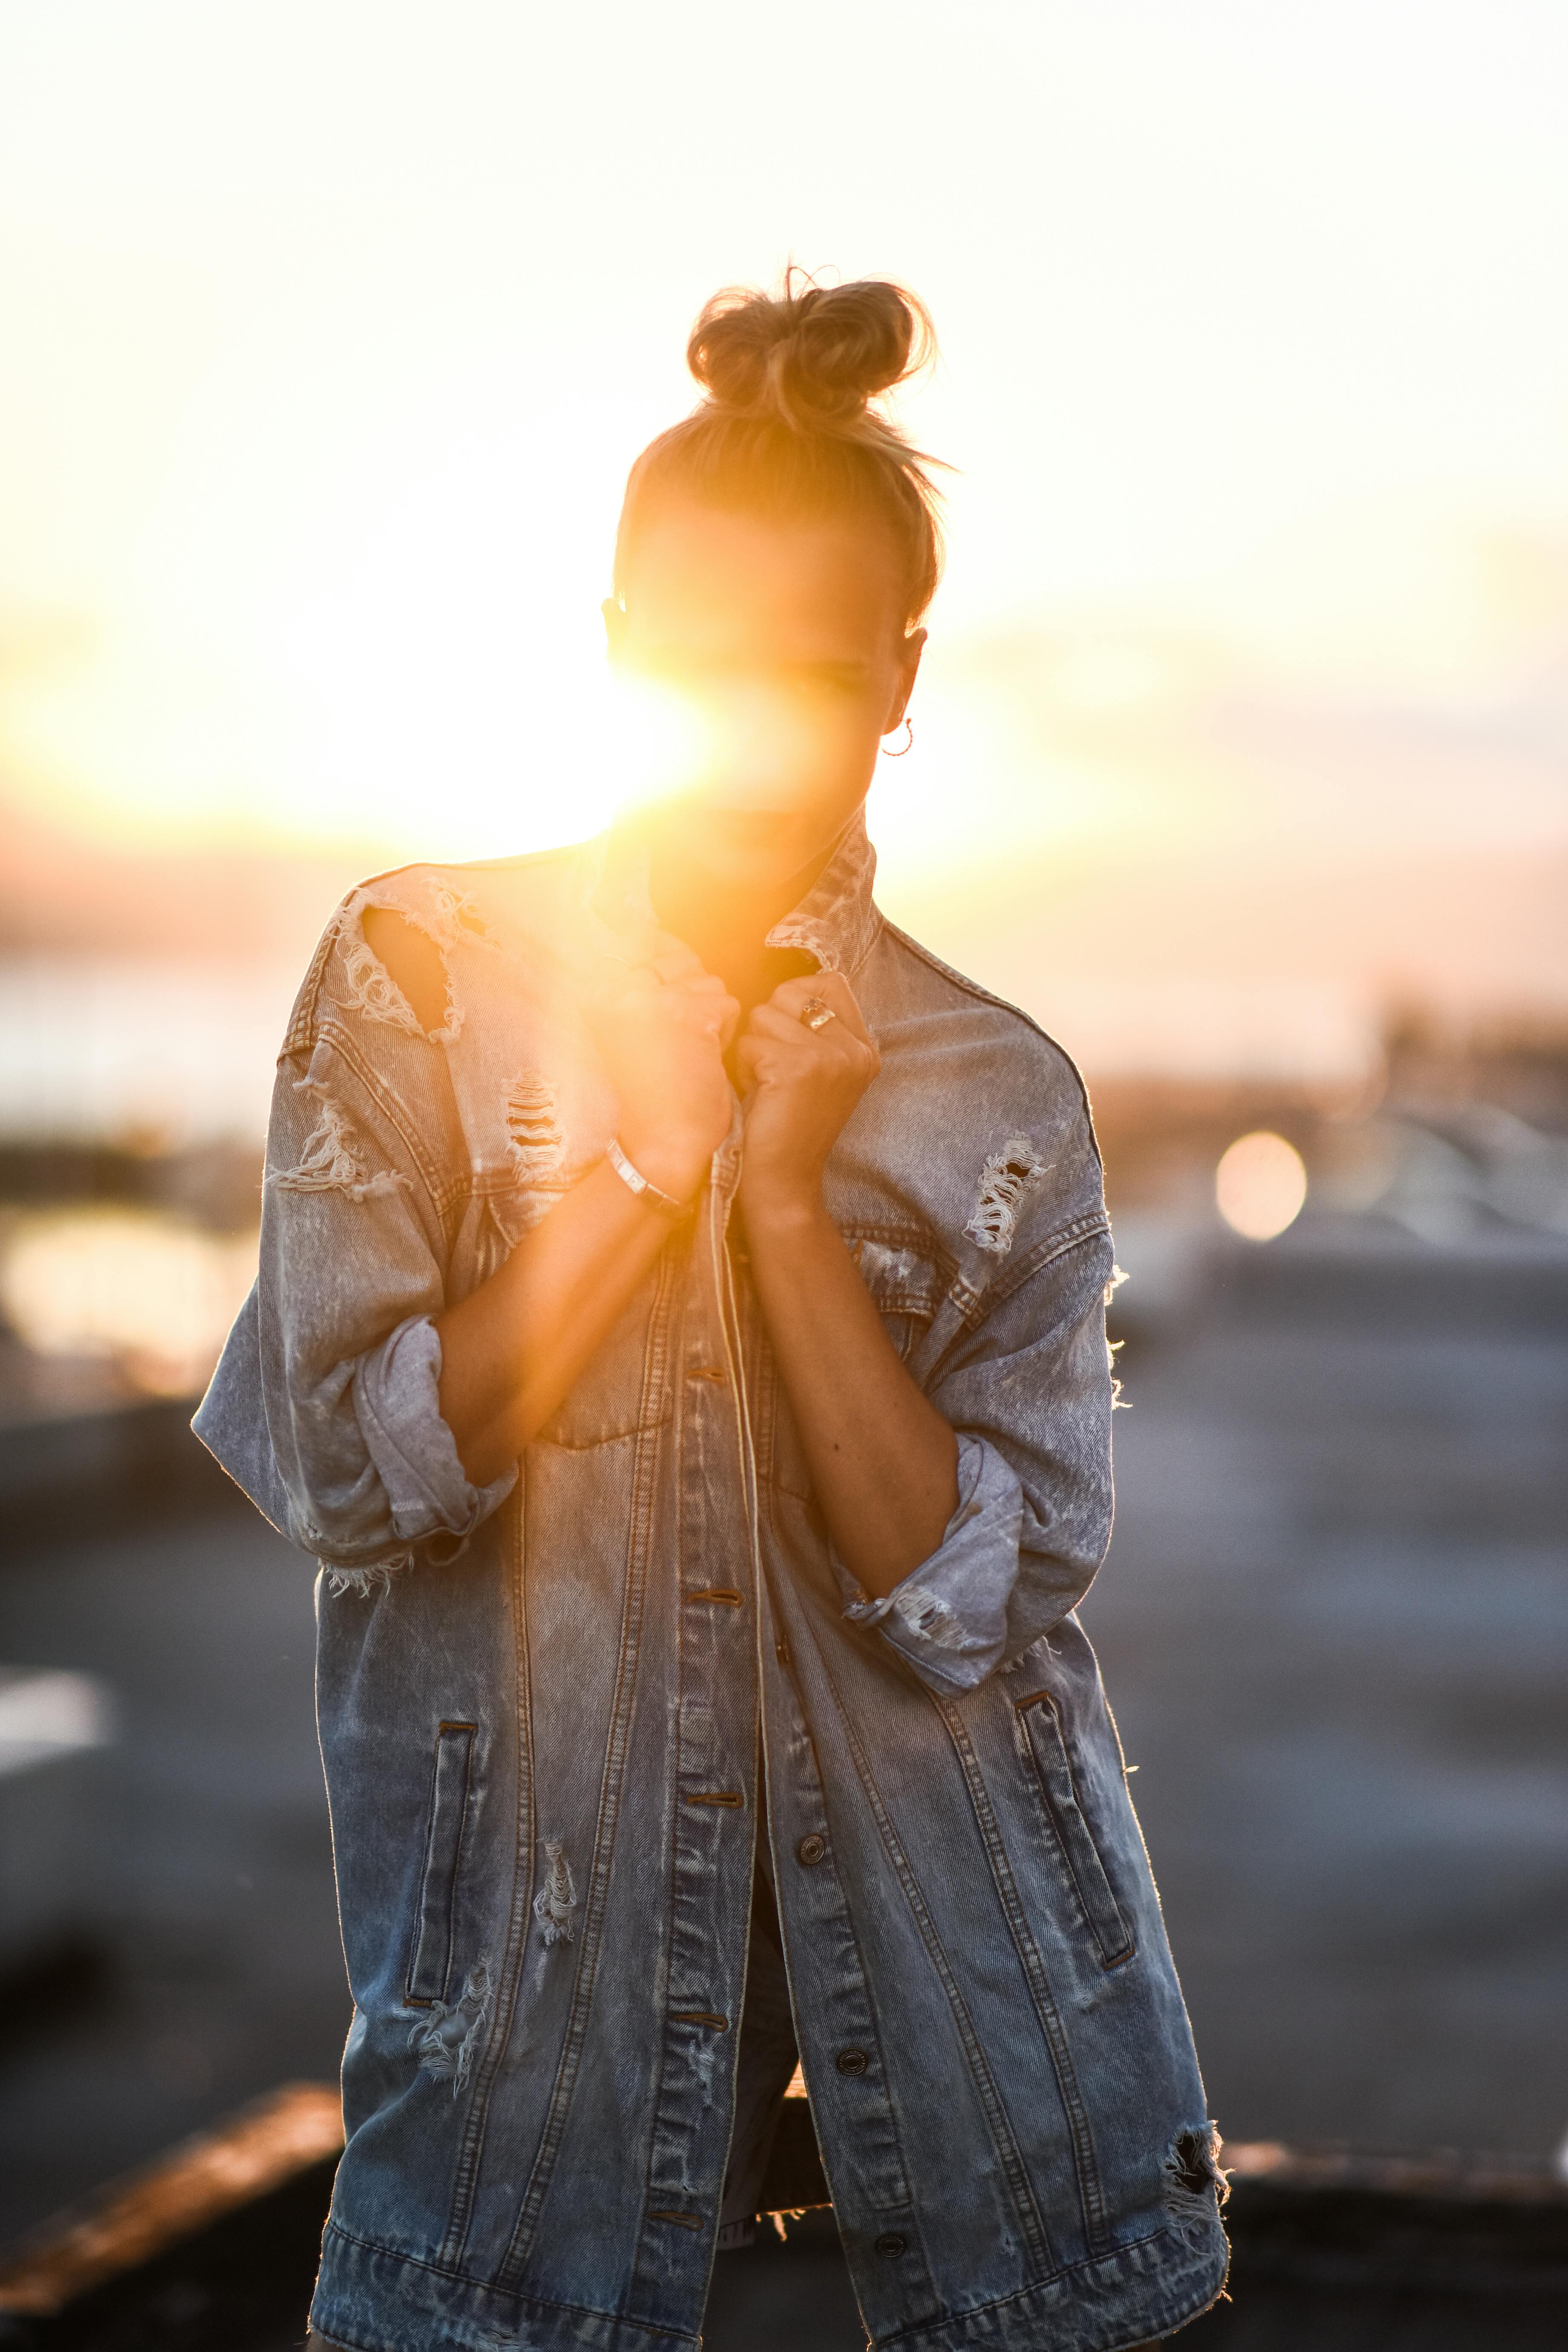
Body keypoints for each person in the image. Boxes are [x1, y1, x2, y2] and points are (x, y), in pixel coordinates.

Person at [196, 274, 1228, 2352]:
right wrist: (636, 1179)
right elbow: (338, 1474)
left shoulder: (993, 1094)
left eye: (813, 676)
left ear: (901, 675)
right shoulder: (418, 979)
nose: (752, 741)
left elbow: (963, 1603)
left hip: (1006, 2115)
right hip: (525, 2132)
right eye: (696, 669)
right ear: (611, 654)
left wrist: (777, 1201)